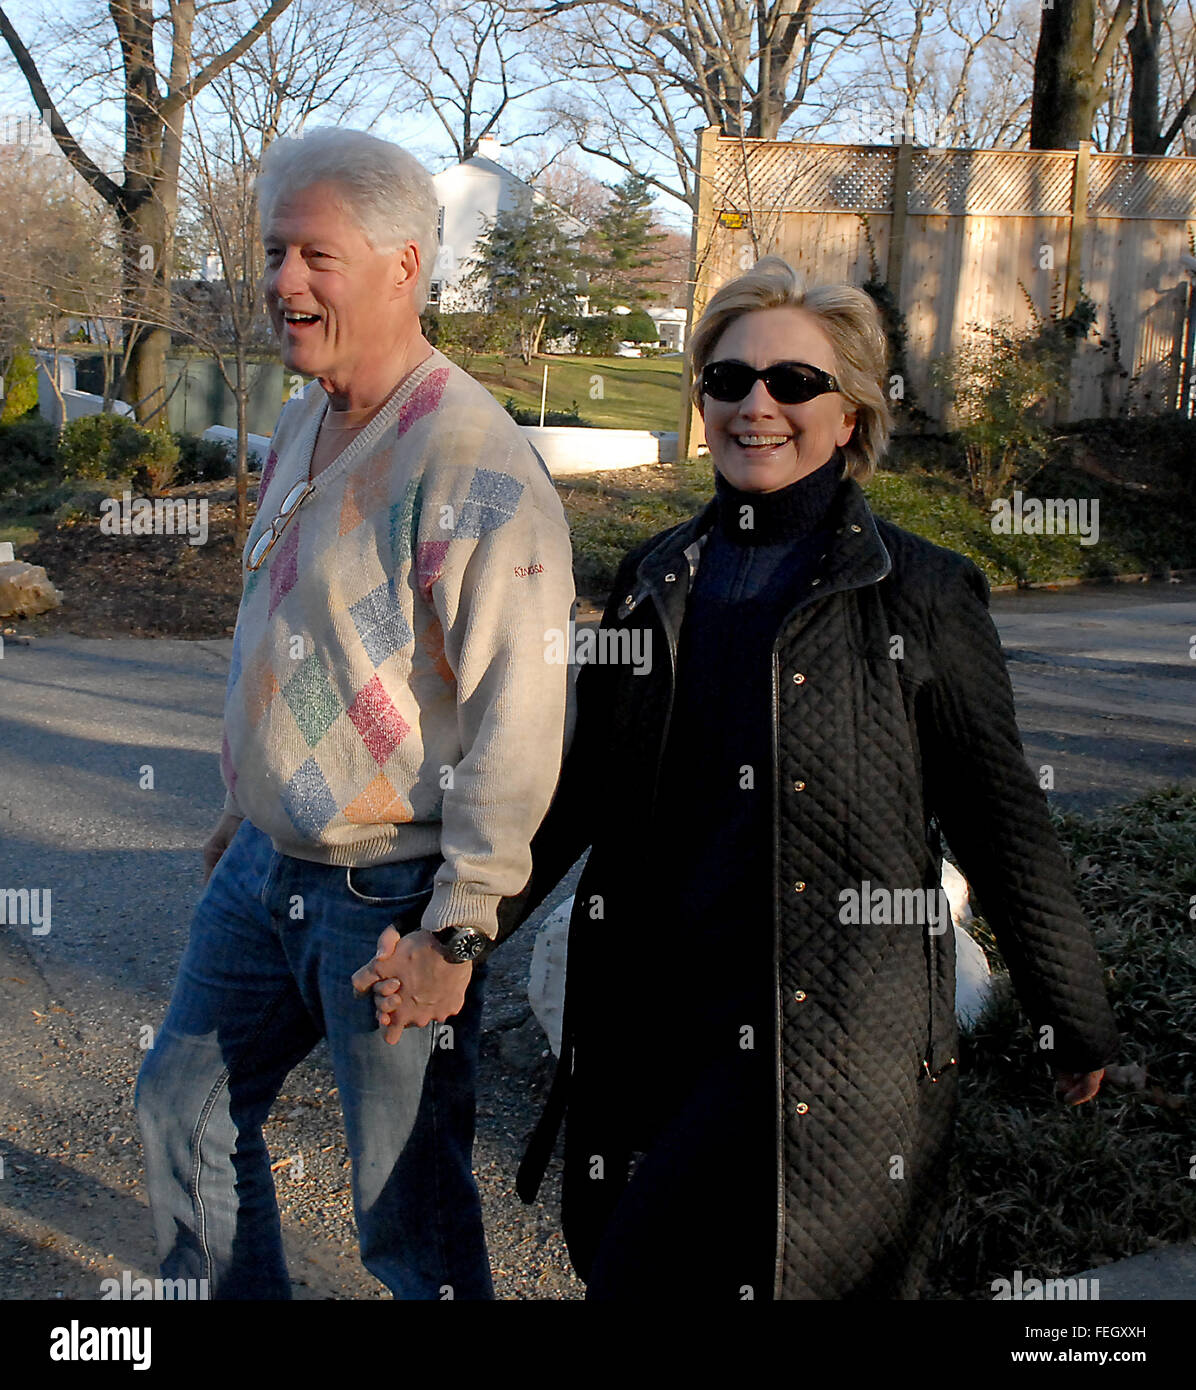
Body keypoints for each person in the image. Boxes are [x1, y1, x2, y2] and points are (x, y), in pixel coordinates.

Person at [480, 255, 1119, 1300]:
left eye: (793, 383)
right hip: (653, 1025)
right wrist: (465, 932)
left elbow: (998, 821)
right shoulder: (653, 576)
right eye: (727, 381)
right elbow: (580, 791)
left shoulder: (915, 591)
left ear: (852, 411)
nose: (755, 406)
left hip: (829, 1039)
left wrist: (1068, 1010)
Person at [135, 127, 575, 1300]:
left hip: (390, 895)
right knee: (179, 1107)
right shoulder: (301, 422)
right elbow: (284, 635)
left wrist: (461, 927)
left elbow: (521, 717)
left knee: (405, 1218)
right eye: (275, 251)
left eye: (314, 255)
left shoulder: (474, 462)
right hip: (266, 866)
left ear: (402, 266)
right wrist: (244, 801)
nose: (283, 282)